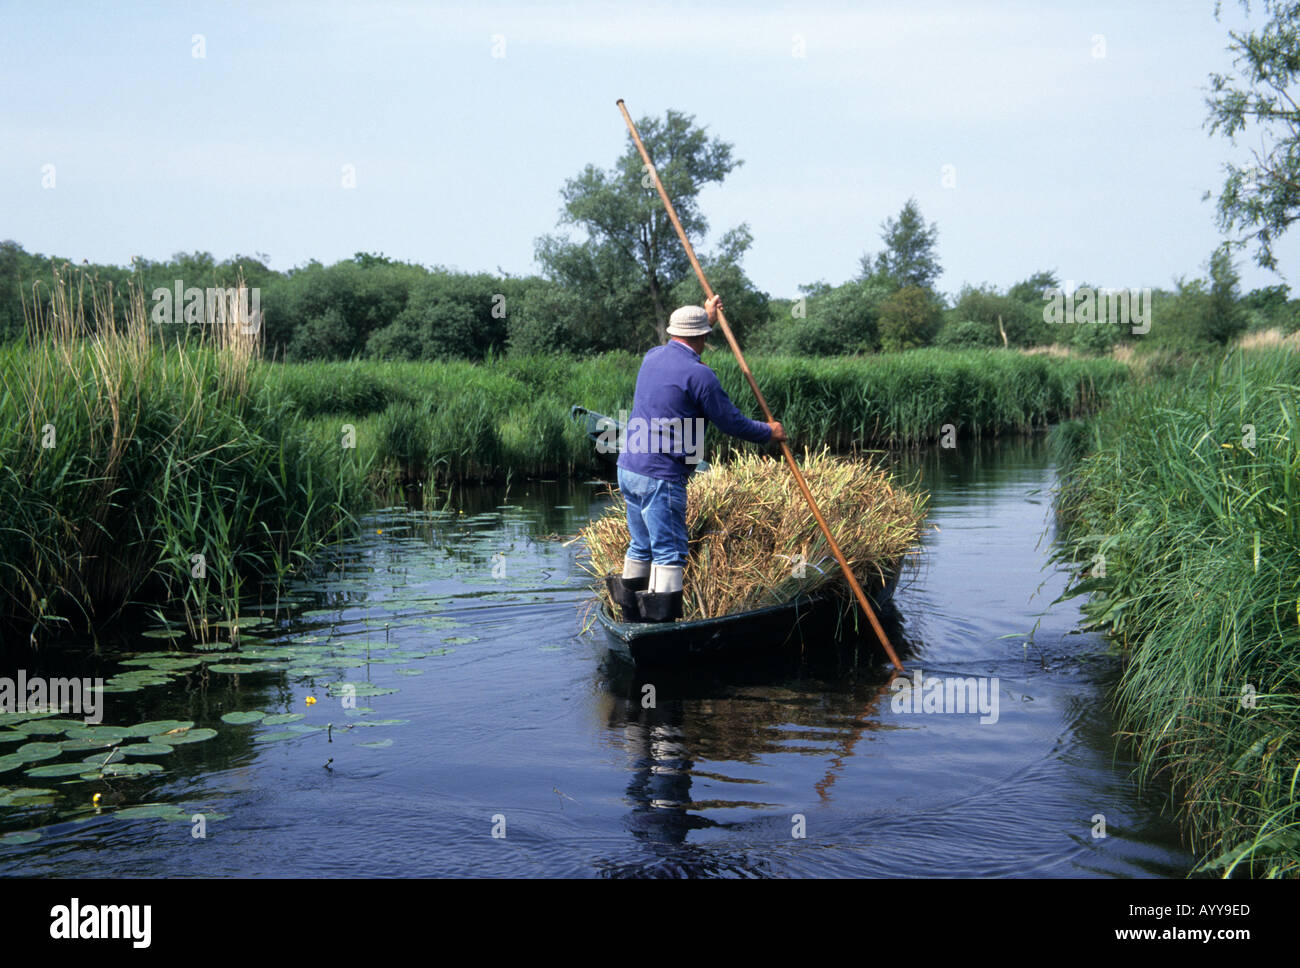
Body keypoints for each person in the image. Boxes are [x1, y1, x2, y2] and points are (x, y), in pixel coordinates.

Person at [609, 294, 786, 623]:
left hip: (628, 468)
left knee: (640, 545)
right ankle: (659, 626)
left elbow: (681, 355)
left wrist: (705, 318)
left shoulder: (652, 357)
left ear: (673, 332)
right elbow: (730, 422)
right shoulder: (701, 375)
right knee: (670, 552)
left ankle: (630, 617)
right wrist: (769, 432)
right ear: (703, 337)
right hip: (661, 475)